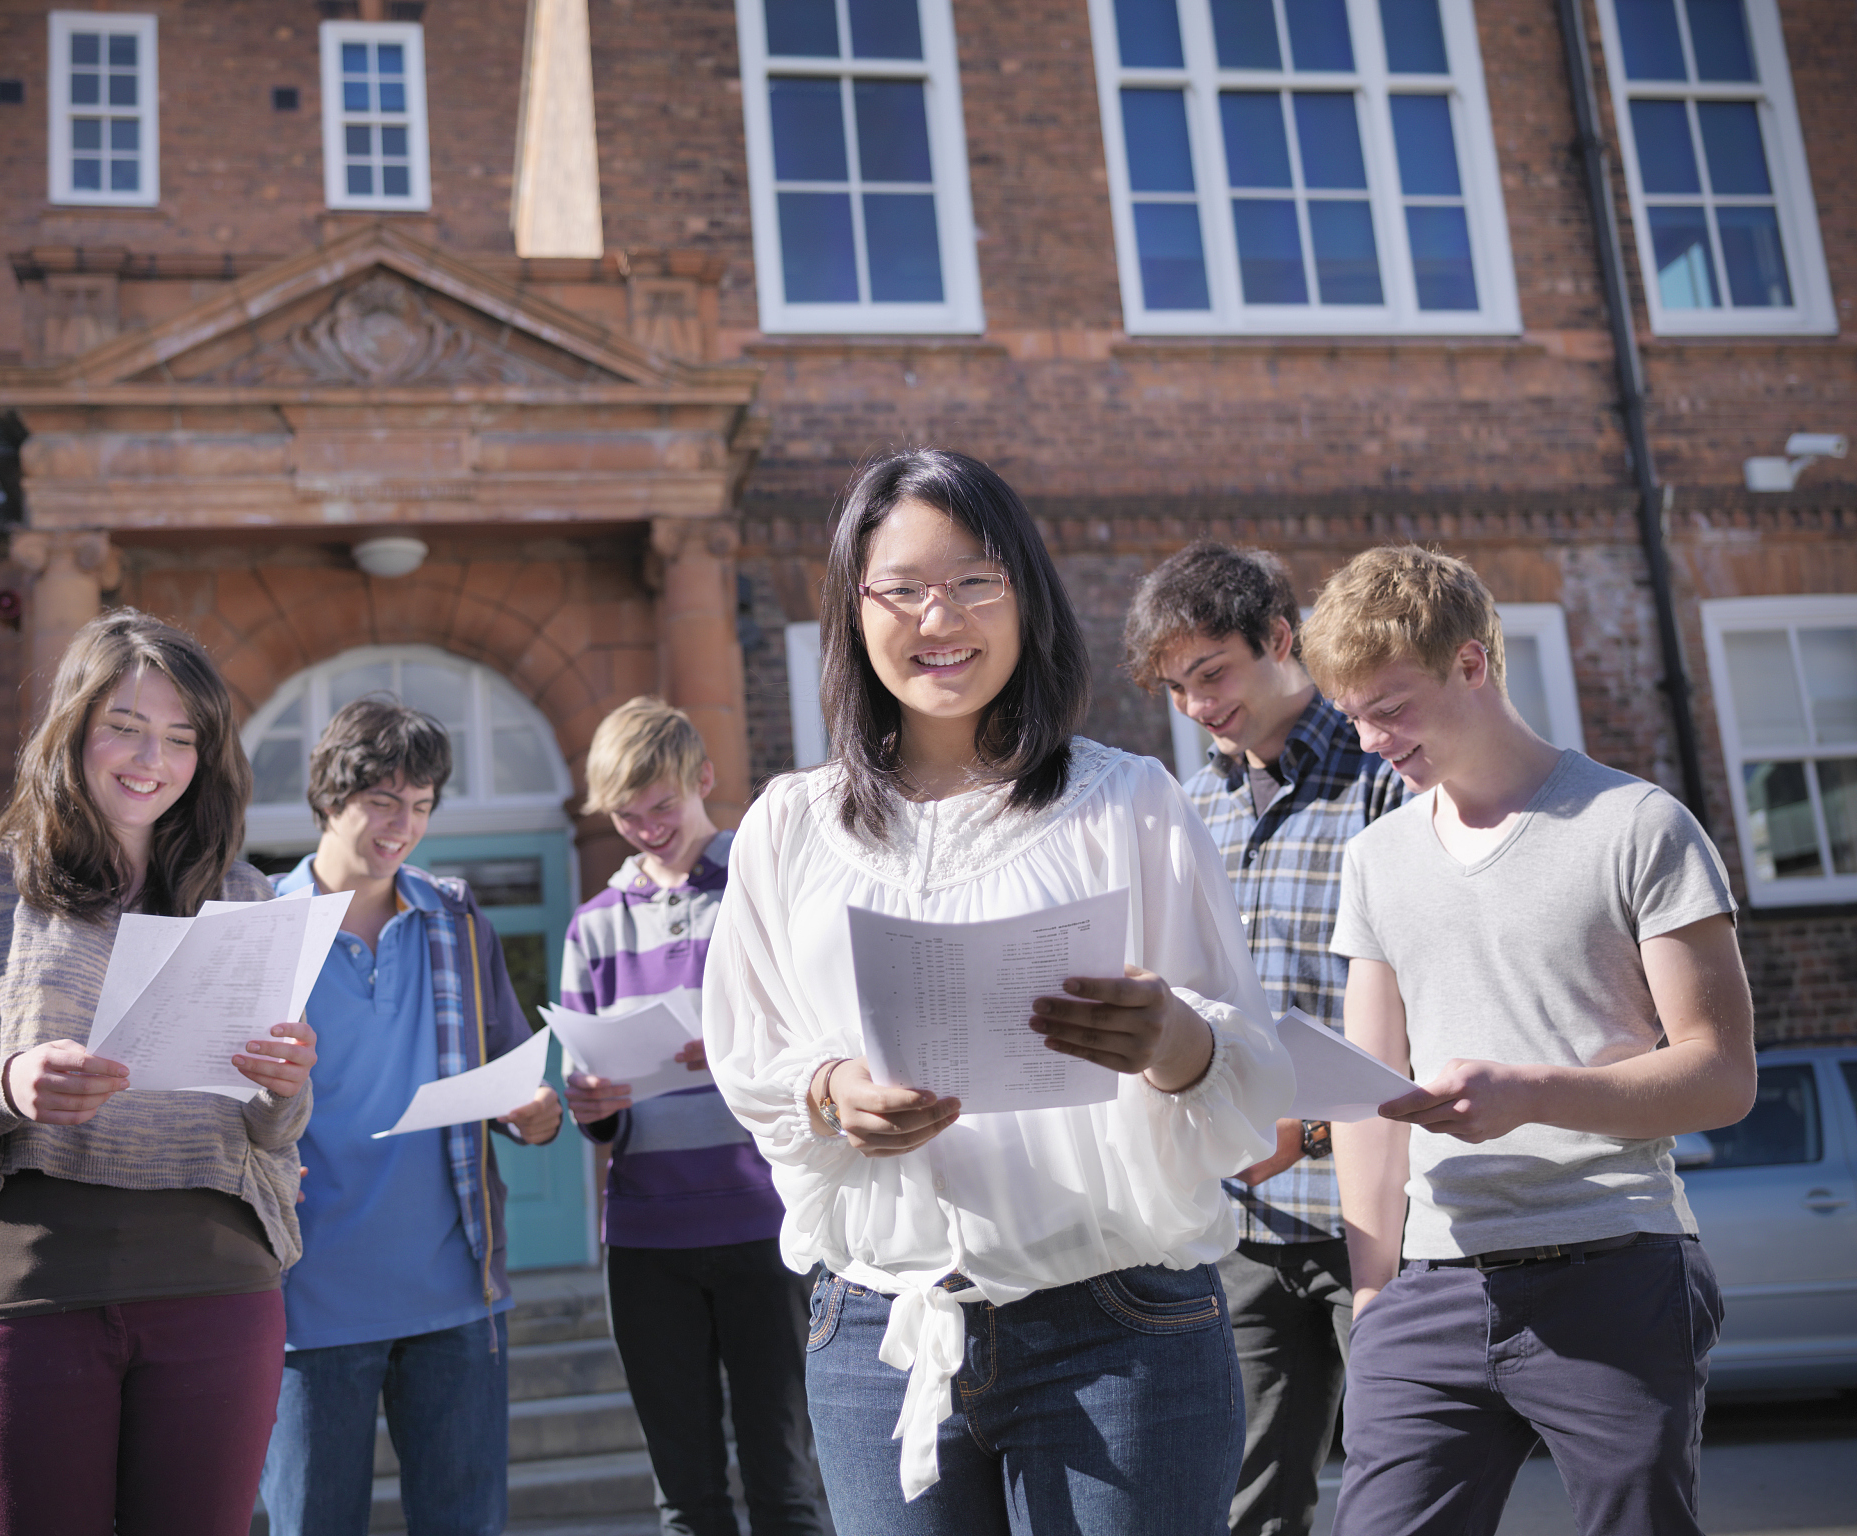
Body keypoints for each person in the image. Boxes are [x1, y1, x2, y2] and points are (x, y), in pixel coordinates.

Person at [703, 448, 1293, 1535]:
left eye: (976, 580)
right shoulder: (789, 827)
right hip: (877, 1338)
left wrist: (1171, 1040)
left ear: (1025, 597)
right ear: (852, 607)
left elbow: (1249, 1071)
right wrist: (833, 1090)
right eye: (903, 587)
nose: (941, 616)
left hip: (1119, 1326)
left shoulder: (1127, 803)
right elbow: (751, 1055)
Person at [1301, 546, 1757, 1536]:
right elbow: (1368, 1098)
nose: (1372, 740)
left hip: (1616, 1265)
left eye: (1390, 706)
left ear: (1470, 665)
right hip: (1425, 1288)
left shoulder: (1637, 825)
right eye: (1352, 718)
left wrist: (1529, 1092)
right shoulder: (1375, 861)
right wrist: (1370, 1291)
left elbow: (1719, 1077)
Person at [0, 609, 317, 1536]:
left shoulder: (243, 895)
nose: (151, 756)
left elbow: (274, 1131)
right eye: (124, 725)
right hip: (22, 1299)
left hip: (218, 1291)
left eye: (182, 737)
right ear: (72, 728)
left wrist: (286, 1085)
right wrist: (7, 1085)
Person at [1122, 542, 1406, 1536]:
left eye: (1212, 674)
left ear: (1279, 639)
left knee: (1400, 1488)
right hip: (1239, 1220)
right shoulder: (1185, 810)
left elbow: (1427, 996)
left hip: (1380, 1216)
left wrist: (1315, 1132)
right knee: (1246, 1502)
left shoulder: (1383, 781)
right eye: (1175, 687)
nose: (1196, 706)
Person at [259, 697, 564, 1536]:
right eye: (383, 802)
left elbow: (509, 1074)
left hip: (456, 1297)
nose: (403, 826)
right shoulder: (260, 931)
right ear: (329, 797)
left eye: (422, 805)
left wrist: (534, 1117)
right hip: (305, 1304)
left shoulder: (457, 920)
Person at [560, 696, 821, 1536]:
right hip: (645, 1241)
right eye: (625, 816)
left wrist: (744, 1051)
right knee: (685, 1500)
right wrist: (591, 1105)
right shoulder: (593, 926)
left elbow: (829, 1034)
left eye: (661, 807)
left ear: (703, 778)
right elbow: (587, 1081)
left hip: (766, 1224)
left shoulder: (764, 887)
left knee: (785, 1482)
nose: (644, 829)